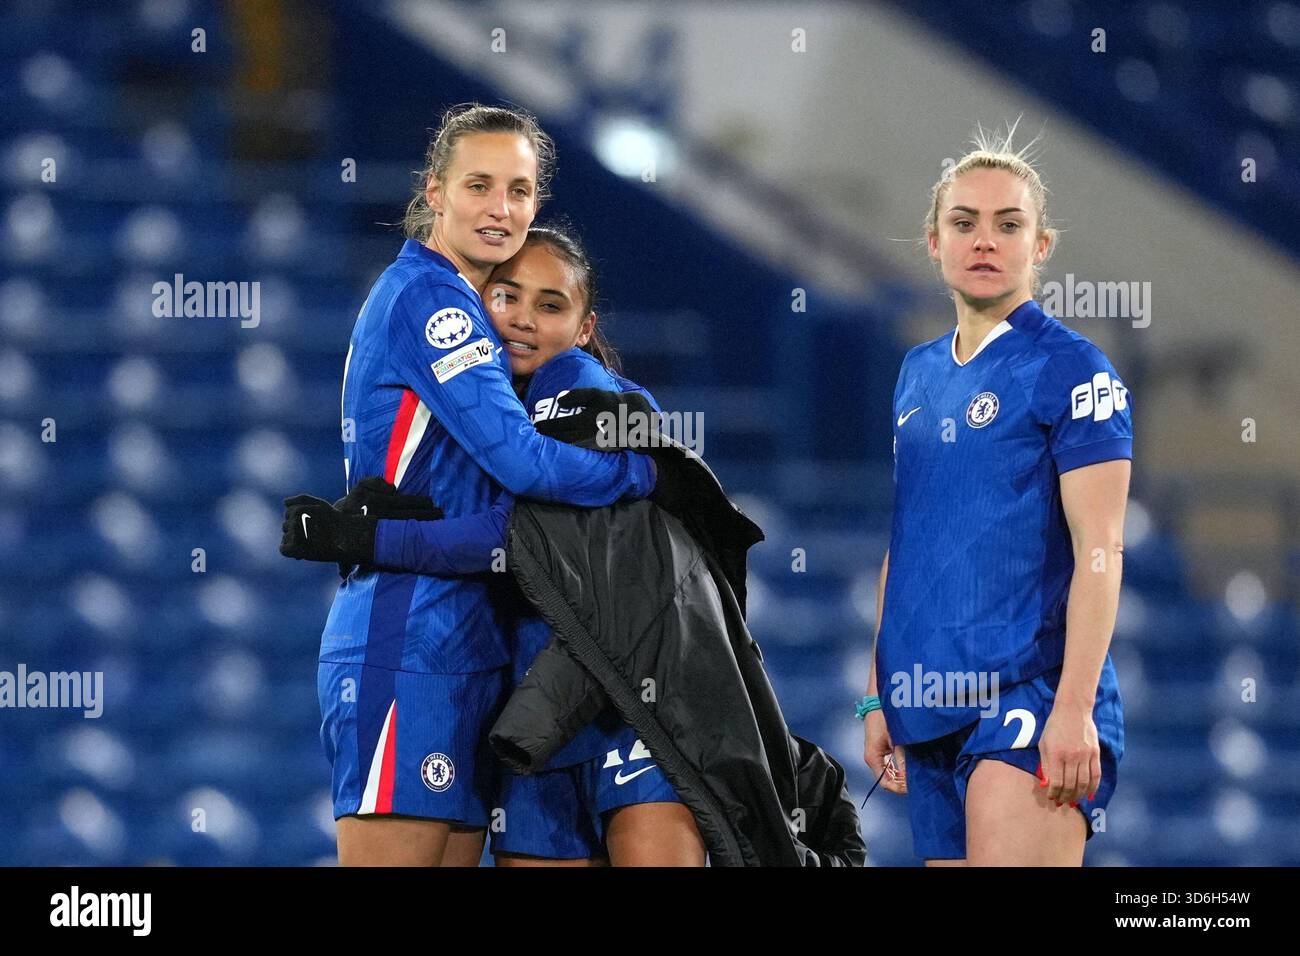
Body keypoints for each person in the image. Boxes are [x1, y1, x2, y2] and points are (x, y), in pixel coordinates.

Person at [280, 104, 657, 867]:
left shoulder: (476, 310)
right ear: (435, 190)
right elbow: (518, 461)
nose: (500, 208)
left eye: (518, 191)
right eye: (479, 185)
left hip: (464, 647)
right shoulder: (432, 300)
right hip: (405, 634)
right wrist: (633, 468)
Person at [861, 125, 1129, 866]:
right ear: (933, 242)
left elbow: (1101, 547)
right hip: (928, 703)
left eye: (1009, 225)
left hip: (1031, 693)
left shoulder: (1074, 368)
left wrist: (1073, 705)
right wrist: (881, 692)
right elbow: (909, 541)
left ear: (1040, 247)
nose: (986, 240)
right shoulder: (915, 373)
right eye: (964, 223)